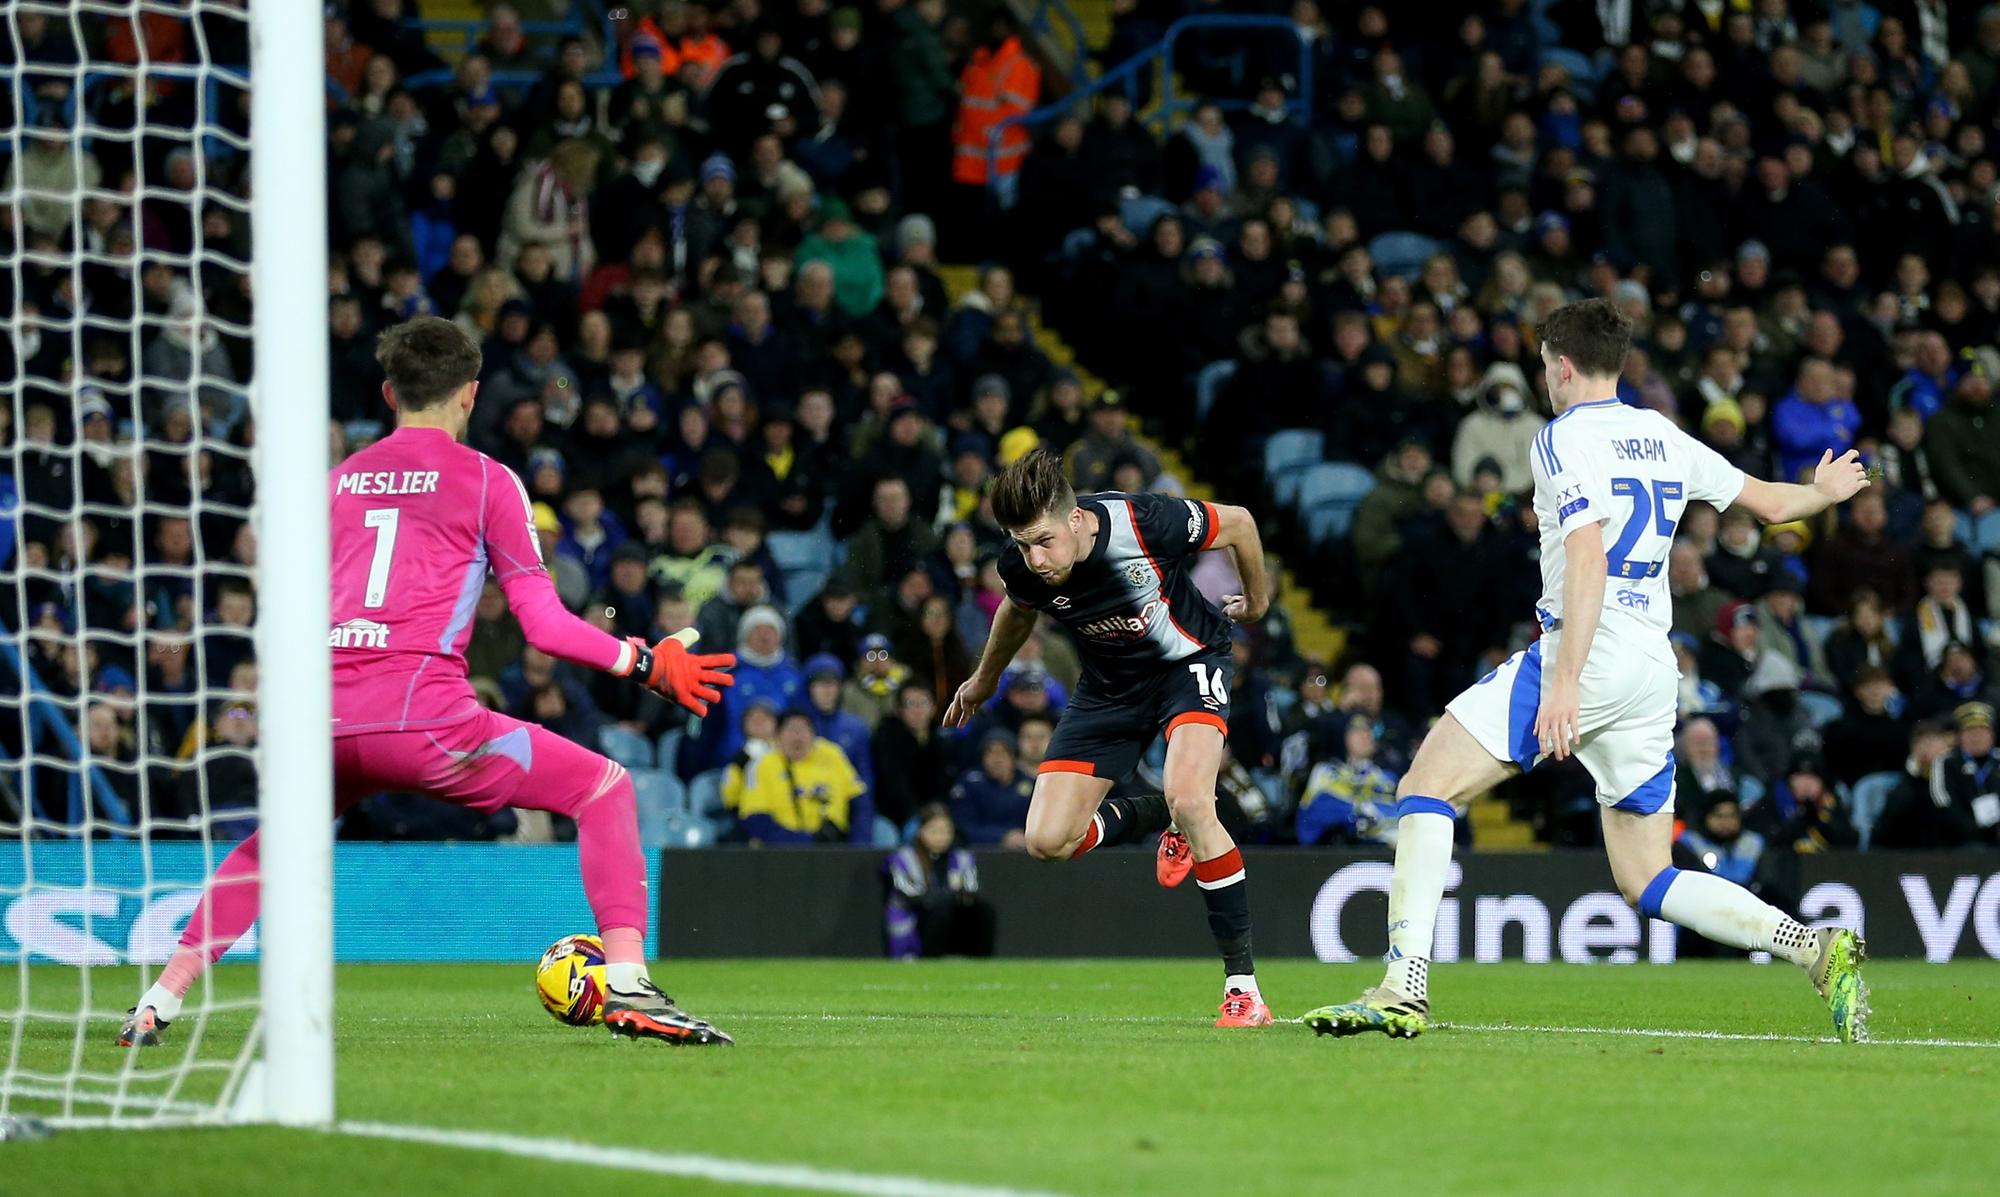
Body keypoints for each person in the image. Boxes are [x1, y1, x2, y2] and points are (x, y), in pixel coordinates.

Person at [122, 318, 736, 1049]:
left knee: (271, 844)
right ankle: (631, 985)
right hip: (429, 724)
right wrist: (639, 660)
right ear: (471, 394)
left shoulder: (334, 483)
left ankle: (159, 999)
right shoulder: (486, 480)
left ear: (389, 392)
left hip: (327, 722)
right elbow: (541, 624)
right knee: (603, 787)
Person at [1305, 299, 1871, 1044]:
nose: (1545, 376)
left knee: (1424, 784)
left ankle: (1402, 983)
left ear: (1560, 365)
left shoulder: (1560, 438)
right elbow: (1768, 504)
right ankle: (1814, 947)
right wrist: (1824, 494)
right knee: (1644, 876)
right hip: (1651, 664)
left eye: (1543, 364)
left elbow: (1585, 553)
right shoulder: (1659, 433)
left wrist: (1566, 676)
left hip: (1592, 646)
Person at [943, 448, 1276, 1027]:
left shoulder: (1145, 521)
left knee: (1196, 800)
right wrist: (982, 680)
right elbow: (1018, 613)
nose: (1035, 557)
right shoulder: (1022, 562)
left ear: (1075, 520)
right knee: (1047, 841)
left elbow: (1241, 522)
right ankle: (1160, 814)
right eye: (1022, 544)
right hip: (1109, 690)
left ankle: (1243, 990)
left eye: (1044, 541)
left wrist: (1259, 601)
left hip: (1187, 665)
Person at [884, 804, 996, 960]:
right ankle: (930, 958)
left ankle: (979, 960)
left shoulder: (962, 858)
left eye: (946, 831)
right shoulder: (903, 858)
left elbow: (972, 889)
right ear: (920, 832)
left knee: (984, 909)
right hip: (918, 919)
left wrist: (953, 897)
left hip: (952, 918)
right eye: (934, 831)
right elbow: (911, 894)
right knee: (940, 908)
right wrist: (947, 896)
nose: (941, 837)